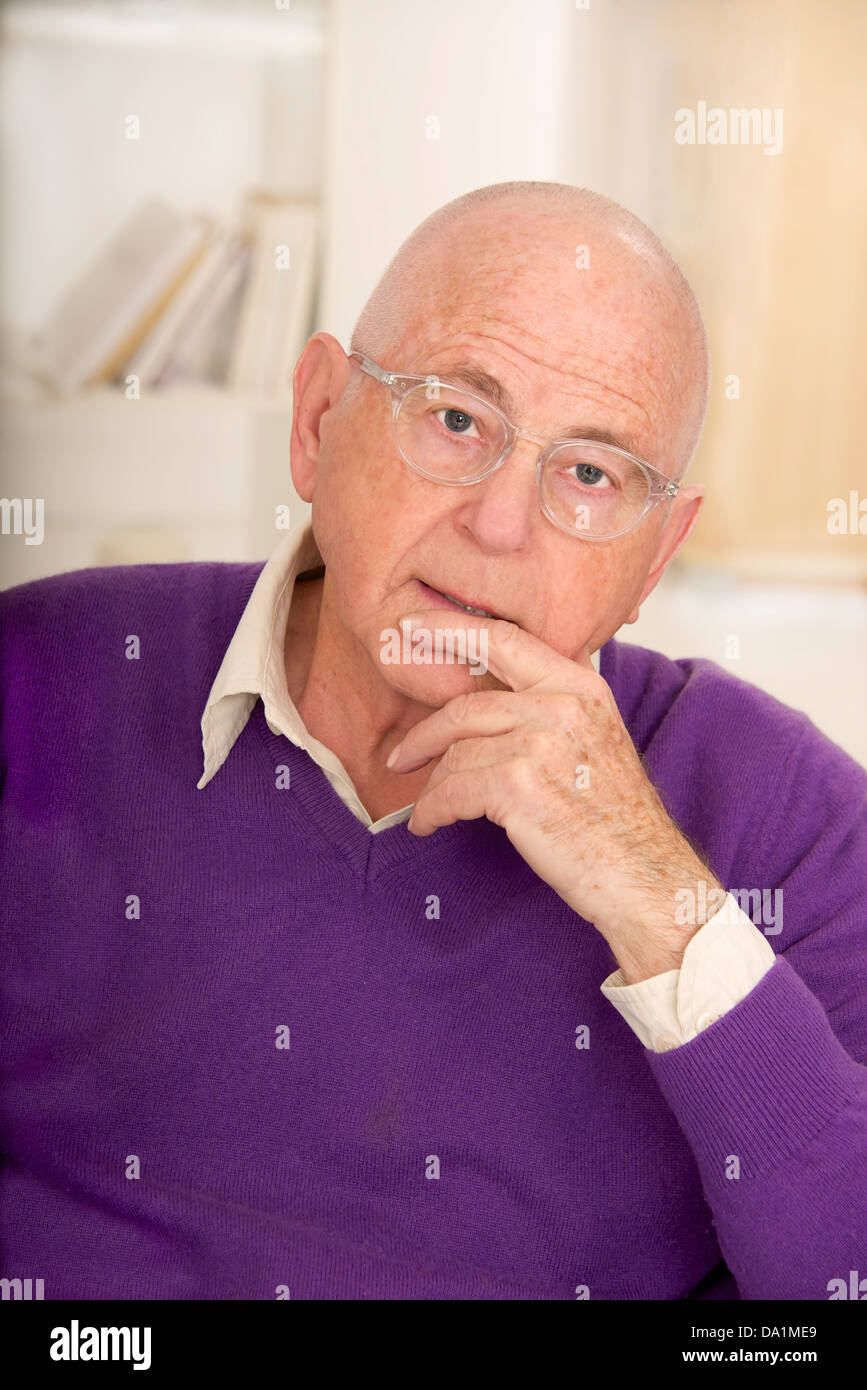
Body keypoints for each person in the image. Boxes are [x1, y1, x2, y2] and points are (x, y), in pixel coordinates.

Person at [1, 182, 864, 1301]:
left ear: (655, 560)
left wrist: (656, 894)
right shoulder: (49, 674)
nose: (500, 523)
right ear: (317, 423)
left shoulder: (786, 816)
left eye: (591, 474)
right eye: (457, 417)